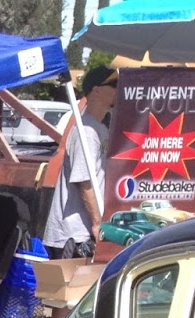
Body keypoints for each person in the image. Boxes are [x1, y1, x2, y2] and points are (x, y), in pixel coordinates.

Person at [43, 65, 118, 259]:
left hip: (83, 233)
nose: (120, 90)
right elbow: (83, 181)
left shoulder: (99, 128)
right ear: (96, 90)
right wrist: (97, 223)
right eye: (115, 84)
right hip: (73, 235)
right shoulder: (86, 131)